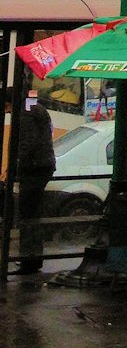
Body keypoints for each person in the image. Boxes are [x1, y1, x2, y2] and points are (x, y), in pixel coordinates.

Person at [15, 97, 56, 274]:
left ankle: (29, 260)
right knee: (34, 214)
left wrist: (17, 166)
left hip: (34, 168)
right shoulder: (35, 107)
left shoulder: (26, 113)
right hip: (43, 165)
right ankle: (33, 259)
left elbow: (27, 143)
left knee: (27, 216)